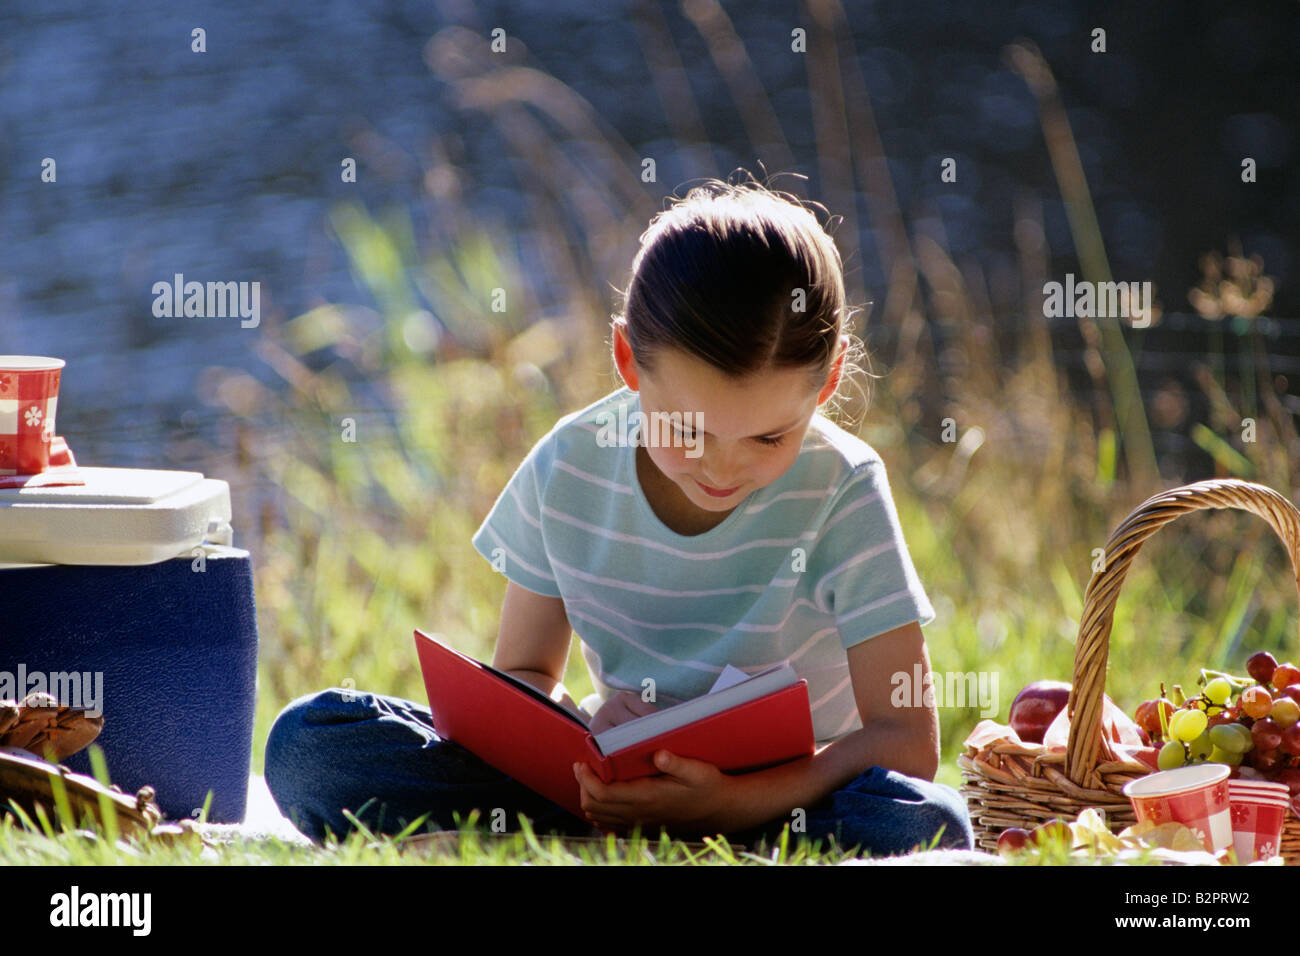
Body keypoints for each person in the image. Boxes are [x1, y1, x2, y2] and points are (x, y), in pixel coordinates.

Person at [265, 172, 974, 856]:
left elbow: (906, 740)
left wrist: (735, 801)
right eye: (689, 432)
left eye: (768, 437)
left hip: (785, 805)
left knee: (927, 822)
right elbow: (525, 675)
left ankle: (637, 841)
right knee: (314, 743)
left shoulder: (843, 487)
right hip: (607, 791)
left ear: (828, 382)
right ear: (629, 360)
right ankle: (615, 829)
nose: (723, 469)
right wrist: (586, 729)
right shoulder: (571, 463)